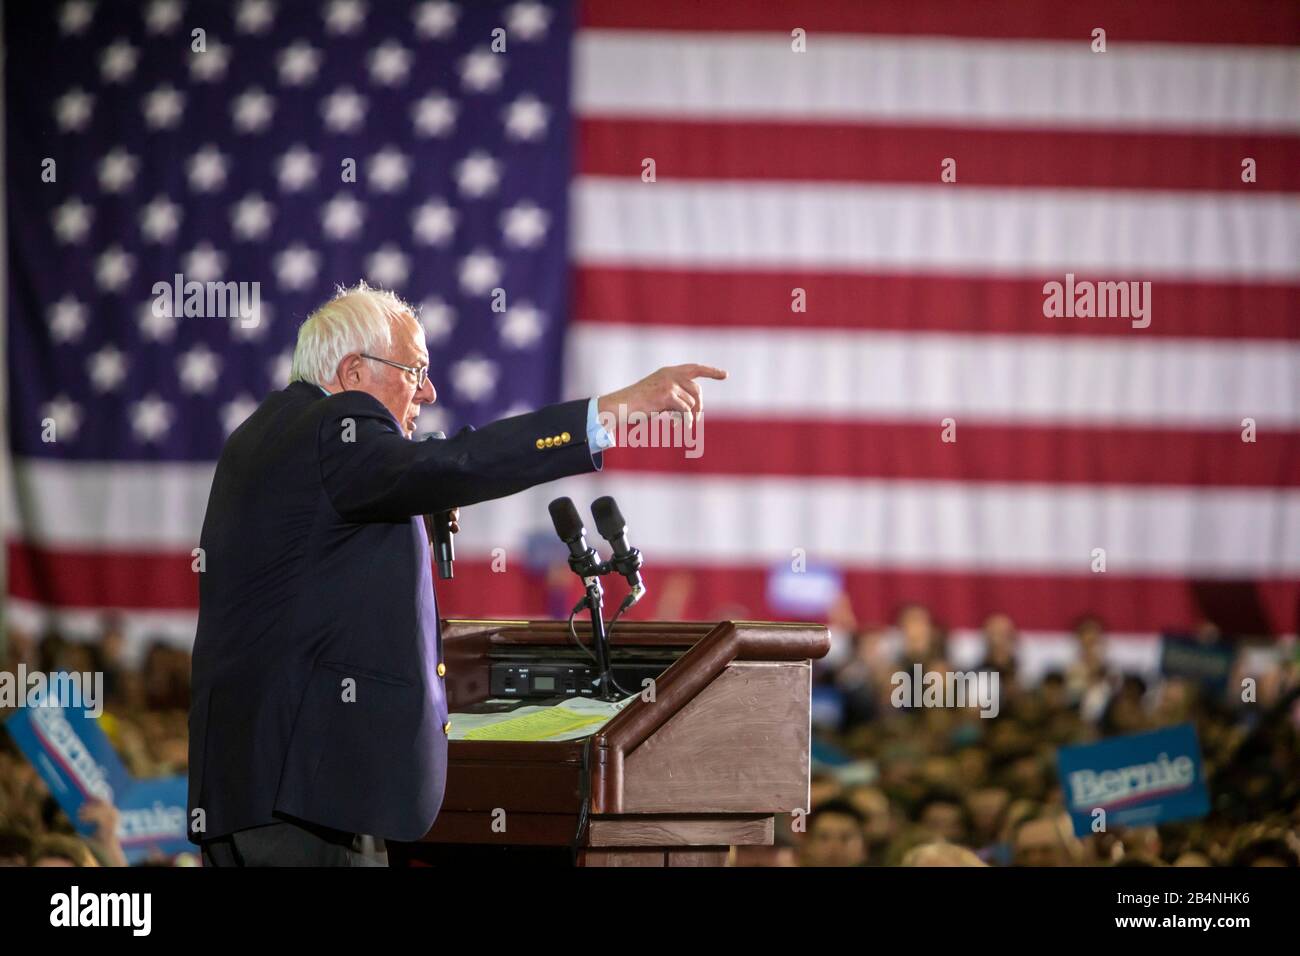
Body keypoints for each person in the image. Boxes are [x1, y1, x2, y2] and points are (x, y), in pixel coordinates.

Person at [188, 283, 725, 866]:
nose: (429, 390)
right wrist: (612, 411)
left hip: (251, 784)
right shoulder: (333, 427)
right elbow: (463, 460)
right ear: (352, 372)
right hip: (311, 793)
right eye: (415, 370)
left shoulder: (262, 433)